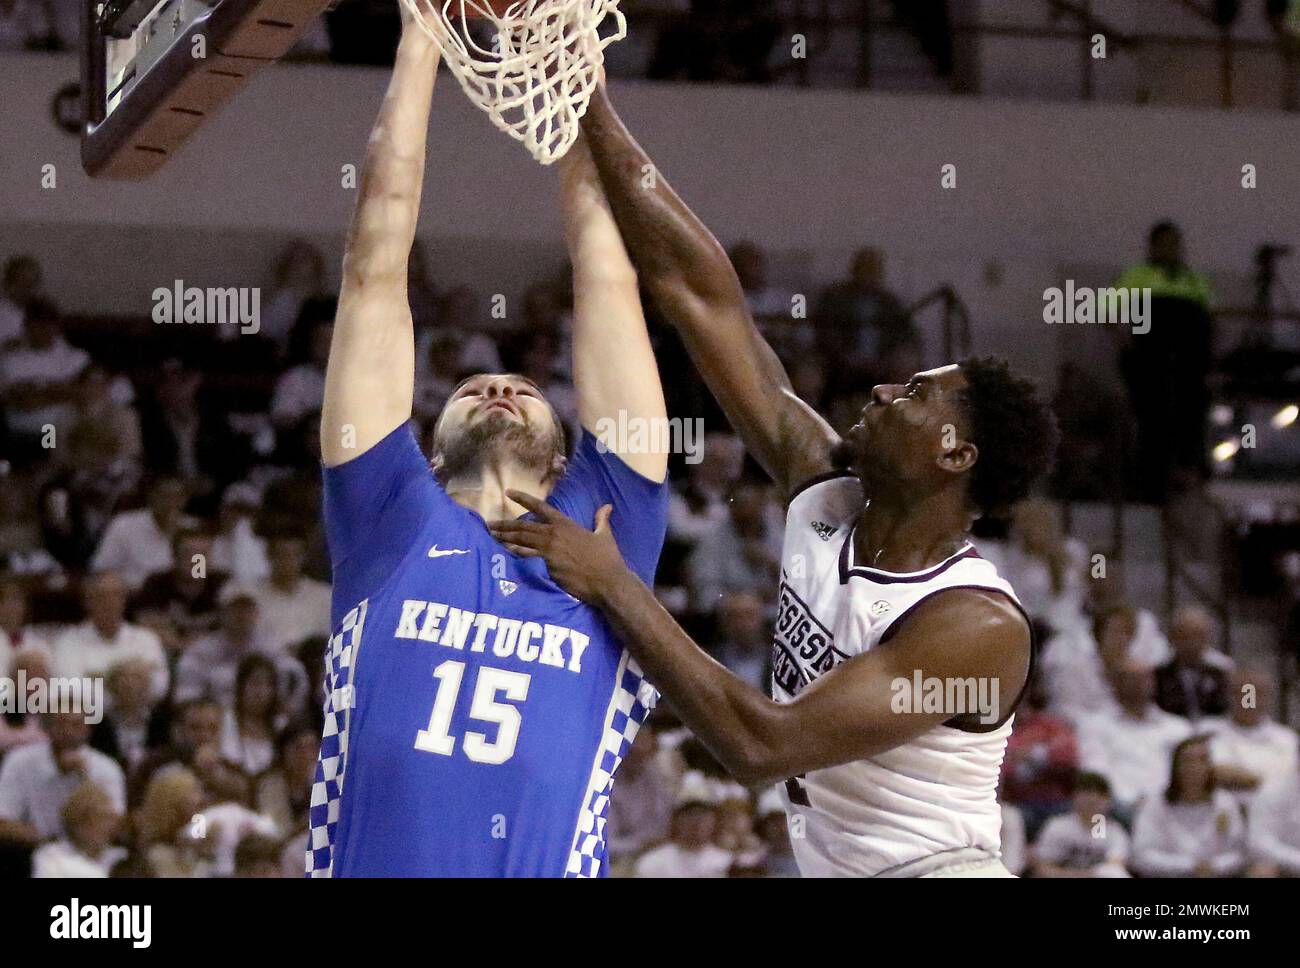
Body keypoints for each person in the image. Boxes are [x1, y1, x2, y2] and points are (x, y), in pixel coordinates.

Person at [489, 83, 1058, 879]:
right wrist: (586, 101)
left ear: (956, 454)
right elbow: (701, 296)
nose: (886, 391)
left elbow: (763, 745)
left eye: (918, 394)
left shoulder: (974, 625)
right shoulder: (822, 485)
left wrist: (614, 586)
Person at [307, 12, 669, 878]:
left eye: (523, 389)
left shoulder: (607, 519)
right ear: (430, 456)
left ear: (562, 456)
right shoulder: (387, 509)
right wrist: (422, 38)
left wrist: (579, 83)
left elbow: (610, 277)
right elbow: (374, 268)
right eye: (471, 388)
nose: (499, 386)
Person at [1129, 735, 1247, 877]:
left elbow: (1239, 853)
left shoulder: (1226, 803)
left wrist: (1214, 867)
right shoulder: (1154, 803)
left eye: (1202, 760)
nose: (1195, 767)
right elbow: (1140, 856)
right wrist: (1189, 866)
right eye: (1188, 761)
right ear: (1175, 766)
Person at [632, 773, 734, 878]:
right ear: (676, 819)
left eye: (703, 814)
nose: (697, 821)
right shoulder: (653, 864)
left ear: (714, 819)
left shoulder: (727, 863)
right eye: (690, 813)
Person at [1031, 773, 1130, 878]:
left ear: (1109, 801)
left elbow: (1115, 867)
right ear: (1074, 797)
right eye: (1087, 793)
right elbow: (1044, 869)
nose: (1093, 799)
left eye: (1100, 795)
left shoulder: (1115, 832)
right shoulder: (1057, 826)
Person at [31, 780, 126, 878]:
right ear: (79, 824)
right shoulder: (51, 857)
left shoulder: (120, 858)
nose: (109, 826)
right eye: (101, 818)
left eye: (110, 818)